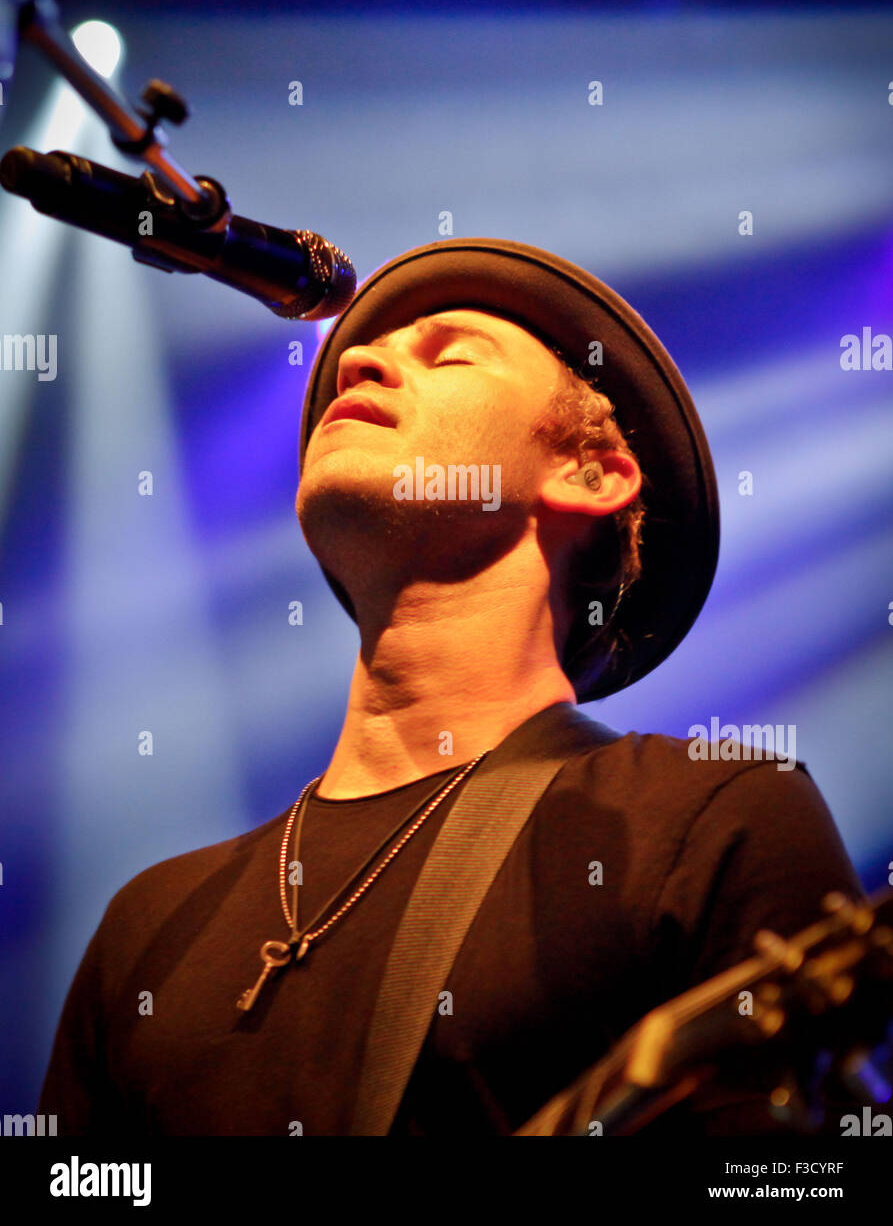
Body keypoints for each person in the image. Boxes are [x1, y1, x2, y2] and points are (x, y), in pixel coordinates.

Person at [38, 238, 864, 1136]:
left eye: (449, 353)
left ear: (589, 476)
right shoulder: (151, 926)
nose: (355, 355)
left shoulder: (706, 820)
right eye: (367, 350)